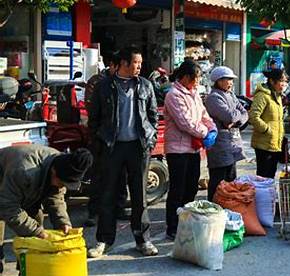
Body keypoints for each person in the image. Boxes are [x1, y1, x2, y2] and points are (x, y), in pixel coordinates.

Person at [87, 47, 159, 258]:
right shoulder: (104, 87)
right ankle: (103, 240)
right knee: (107, 194)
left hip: (138, 147)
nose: (139, 66)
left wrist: (150, 140)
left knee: (140, 195)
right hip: (112, 147)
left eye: (140, 63)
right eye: (136, 62)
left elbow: (152, 117)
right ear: (123, 64)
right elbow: (94, 119)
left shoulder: (146, 86)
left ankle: (143, 240)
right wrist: (98, 143)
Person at [0, 145, 92, 276]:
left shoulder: (61, 163)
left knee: (36, 228)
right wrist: (36, 230)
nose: (63, 186)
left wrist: (63, 222)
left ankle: (28, 274)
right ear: (54, 173)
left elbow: (56, 197)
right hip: (4, 193)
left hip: (24, 193)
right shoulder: (24, 170)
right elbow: (7, 207)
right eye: (62, 183)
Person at [163, 60, 217, 239]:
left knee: (191, 188)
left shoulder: (194, 94)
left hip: (193, 149)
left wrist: (212, 128)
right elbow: (185, 122)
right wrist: (205, 133)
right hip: (177, 150)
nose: (198, 82)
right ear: (186, 77)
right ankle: (173, 226)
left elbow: (204, 115)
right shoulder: (174, 95)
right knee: (177, 190)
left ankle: (187, 222)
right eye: (197, 79)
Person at [85, 52, 130, 227]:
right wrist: (96, 137)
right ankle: (94, 211)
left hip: (124, 139)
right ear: (113, 65)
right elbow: (93, 112)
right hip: (104, 138)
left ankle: (119, 207)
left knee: (121, 177)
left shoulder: (131, 83)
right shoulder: (99, 83)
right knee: (99, 177)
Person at [204, 66, 248, 202]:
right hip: (220, 145)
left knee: (231, 179)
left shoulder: (231, 95)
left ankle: (228, 207)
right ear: (218, 81)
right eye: (227, 79)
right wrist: (235, 117)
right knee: (218, 180)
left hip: (233, 143)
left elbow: (245, 113)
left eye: (231, 80)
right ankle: (214, 207)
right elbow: (229, 116)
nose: (230, 82)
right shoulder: (213, 97)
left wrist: (236, 120)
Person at [249, 68, 287, 178]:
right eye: (281, 81)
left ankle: (268, 195)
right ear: (271, 81)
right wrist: (267, 129)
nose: (283, 84)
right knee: (263, 175)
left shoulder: (277, 95)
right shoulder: (262, 95)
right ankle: (262, 195)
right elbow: (253, 116)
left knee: (271, 174)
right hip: (264, 144)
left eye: (285, 81)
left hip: (275, 142)